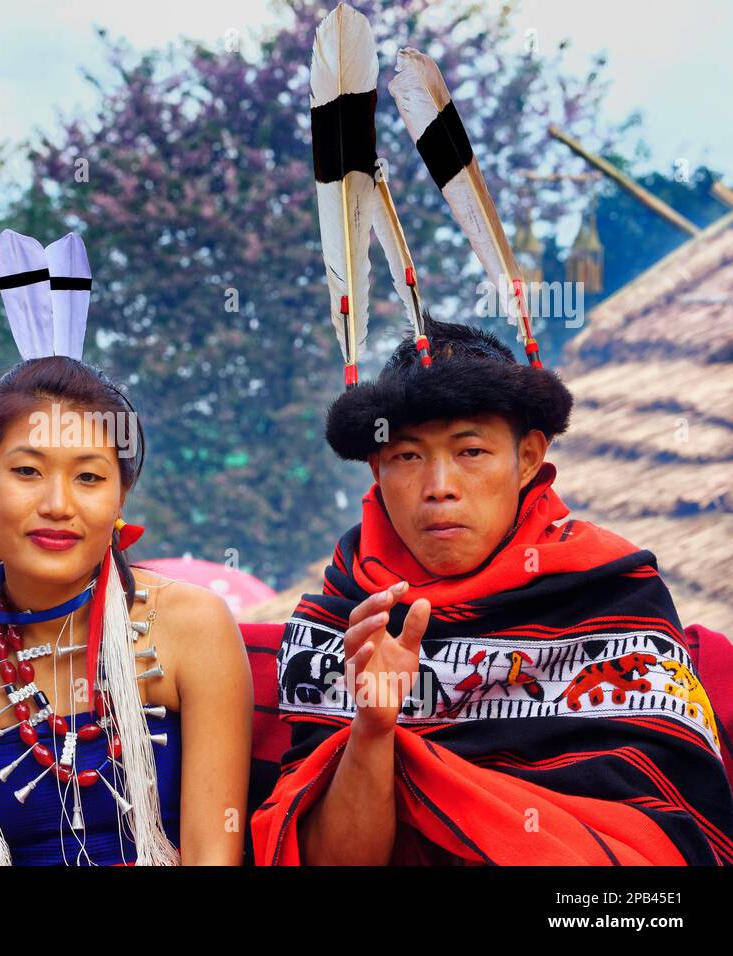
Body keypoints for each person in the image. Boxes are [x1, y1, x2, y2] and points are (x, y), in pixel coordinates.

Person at [252, 317, 733, 865]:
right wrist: (373, 727)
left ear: (527, 458)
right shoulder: (342, 625)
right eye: (407, 456)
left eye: (470, 452)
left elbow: (660, 842)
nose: (439, 488)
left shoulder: (611, 592)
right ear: (376, 467)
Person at [0, 230, 252, 865]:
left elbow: (213, 851)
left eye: (89, 476)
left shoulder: (190, 626)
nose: (59, 504)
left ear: (120, 501)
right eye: (28, 471)